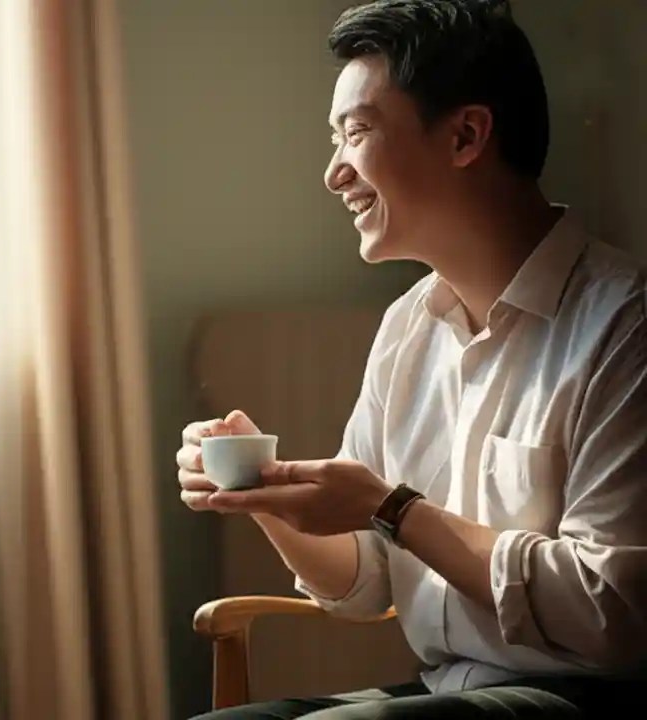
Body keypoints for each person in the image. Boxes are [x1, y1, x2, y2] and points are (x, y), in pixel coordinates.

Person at [177, 1, 645, 718]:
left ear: (465, 135)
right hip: (445, 688)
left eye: (356, 133)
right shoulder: (408, 327)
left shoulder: (624, 324)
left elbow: (612, 612)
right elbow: (367, 584)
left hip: (583, 696)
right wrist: (262, 497)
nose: (335, 173)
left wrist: (391, 506)